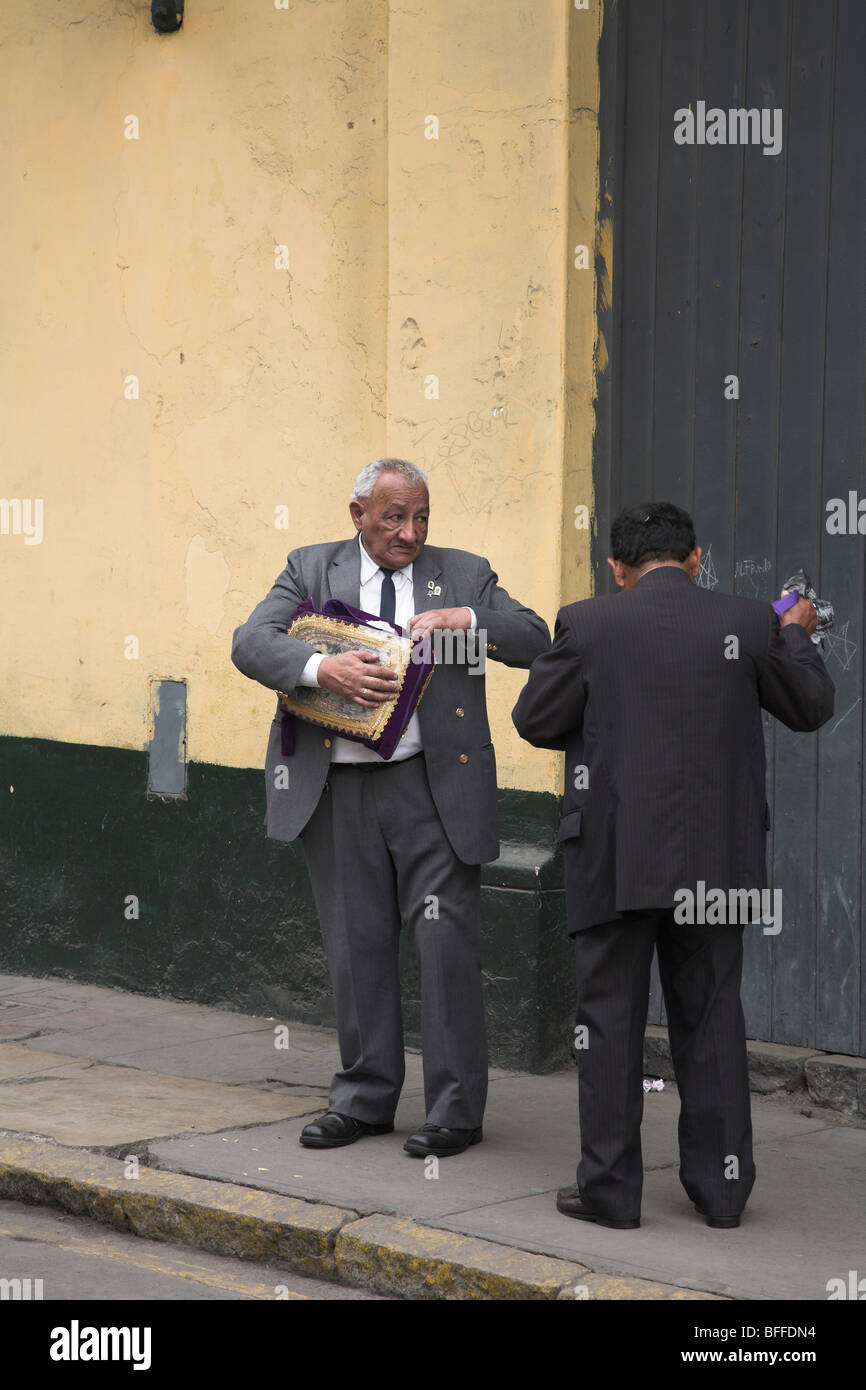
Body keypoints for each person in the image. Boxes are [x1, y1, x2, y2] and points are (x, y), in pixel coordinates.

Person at [512, 502, 834, 1228]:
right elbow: (811, 705)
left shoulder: (589, 623)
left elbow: (535, 720)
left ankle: (610, 1193)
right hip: (718, 865)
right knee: (714, 1024)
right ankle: (723, 1196)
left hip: (614, 861)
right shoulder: (753, 621)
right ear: (696, 559)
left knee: (609, 1025)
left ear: (618, 569)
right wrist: (796, 633)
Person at [232, 458, 549, 1158]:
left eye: (421, 518)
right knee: (355, 945)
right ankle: (365, 1099)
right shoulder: (310, 569)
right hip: (336, 790)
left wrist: (469, 619)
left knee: (444, 948)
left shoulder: (462, 573)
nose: (410, 532)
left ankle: (454, 1112)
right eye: (393, 518)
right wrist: (321, 668)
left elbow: (534, 639)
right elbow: (250, 643)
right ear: (357, 516)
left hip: (432, 791)